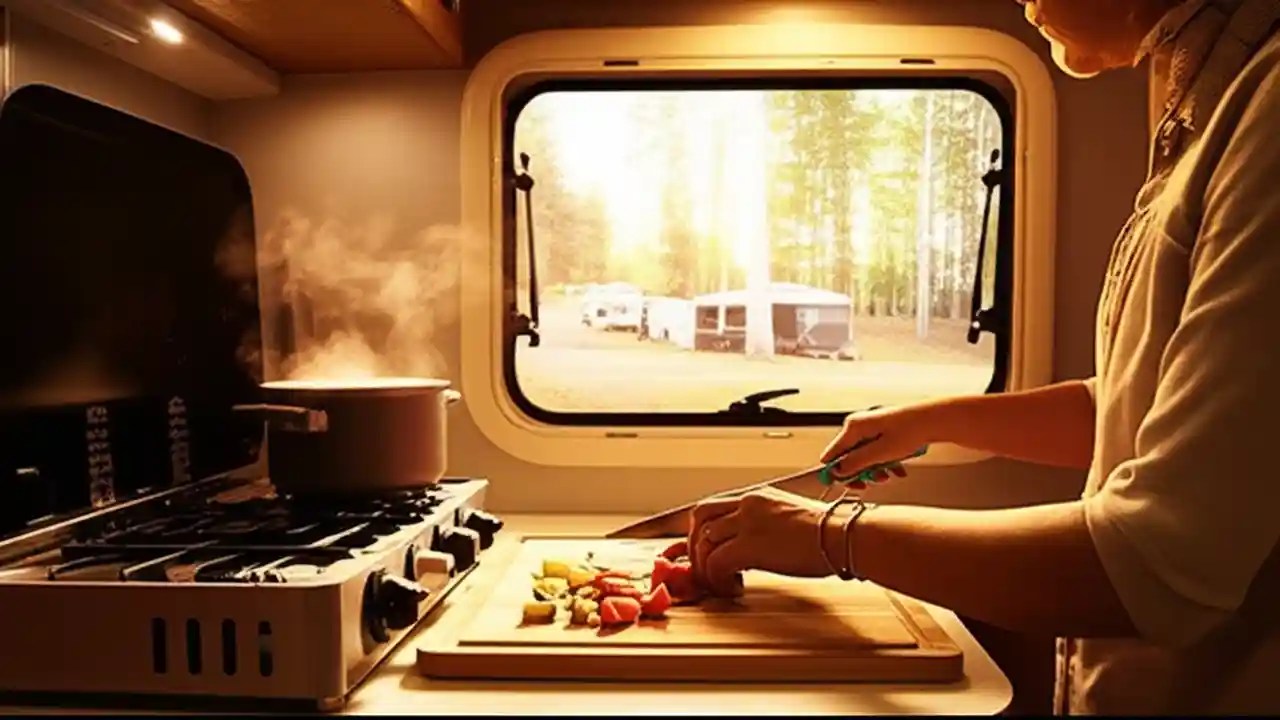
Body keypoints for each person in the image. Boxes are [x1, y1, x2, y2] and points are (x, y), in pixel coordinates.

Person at [686, 0, 1280, 714]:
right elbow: (1149, 408)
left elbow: (1160, 563)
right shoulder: (1221, 103)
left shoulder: (1268, 117)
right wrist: (939, 418)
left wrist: (826, 533)